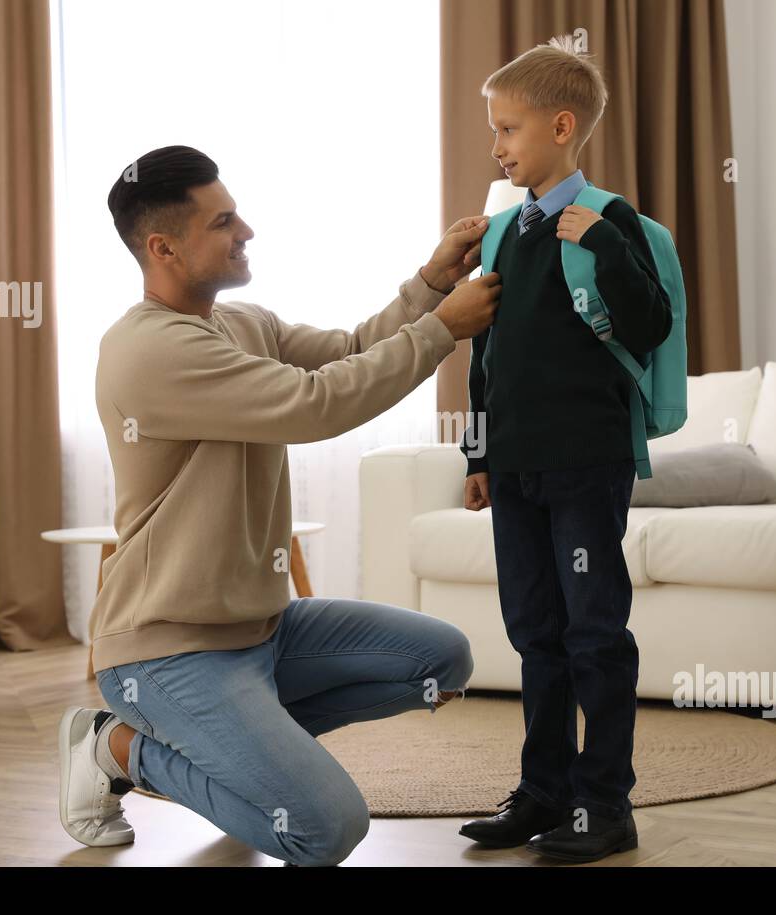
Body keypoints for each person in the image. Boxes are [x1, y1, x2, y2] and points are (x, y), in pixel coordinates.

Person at [57, 145, 501, 866]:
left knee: (437, 662)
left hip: (260, 633)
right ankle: (114, 748)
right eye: (224, 221)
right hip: (168, 651)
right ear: (163, 247)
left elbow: (352, 350)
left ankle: (245, 759)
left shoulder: (242, 325)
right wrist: (443, 329)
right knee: (324, 830)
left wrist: (430, 284)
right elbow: (316, 404)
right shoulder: (147, 351)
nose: (247, 232)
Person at [456, 36, 674, 862]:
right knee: (533, 631)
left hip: (586, 463)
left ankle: (605, 805)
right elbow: (485, 355)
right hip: (513, 466)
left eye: (508, 130)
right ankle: (542, 794)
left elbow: (649, 327)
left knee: (593, 633)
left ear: (560, 125)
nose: (497, 146)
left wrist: (608, 247)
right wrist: (476, 457)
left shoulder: (613, 221)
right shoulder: (506, 233)